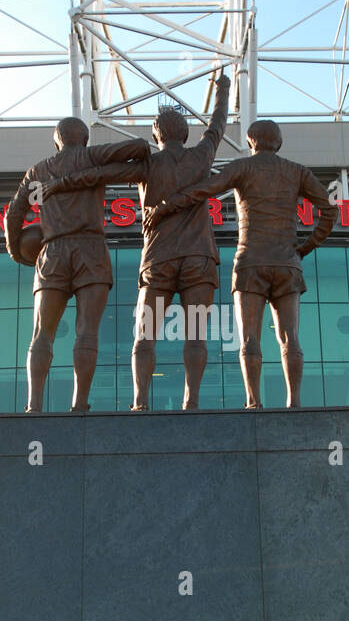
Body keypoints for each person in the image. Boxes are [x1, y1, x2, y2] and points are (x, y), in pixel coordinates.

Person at [36, 72, 232, 410]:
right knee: (196, 332)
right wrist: (224, 90)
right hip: (199, 261)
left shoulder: (147, 165)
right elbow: (217, 126)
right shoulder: (202, 155)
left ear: (156, 134)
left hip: (158, 261)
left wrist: (62, 183)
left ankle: (140, 402)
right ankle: (192, 401)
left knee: (144, 336)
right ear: (185, 134)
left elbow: (101, 174)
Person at [144, 118, 338, 408]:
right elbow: (329, 211)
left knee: (249, 338)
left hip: (250, 262)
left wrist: (163, 207)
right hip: (287, 262)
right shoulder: (297, 172)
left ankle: (253, 401)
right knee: (290, 338)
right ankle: (294, 402)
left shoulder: (242, 167)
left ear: (250, 143)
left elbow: (202, 190)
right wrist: (305, 247)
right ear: (279, 142)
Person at [5, 119, 149, 412]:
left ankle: (34, 406)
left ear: (57, 141)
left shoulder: (38, 171)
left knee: (42, 334)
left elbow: (13, 213)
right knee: (87, 332)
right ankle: (80, 403)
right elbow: (140, 148)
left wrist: (17, 251)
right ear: (83, 139)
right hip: (90, 249)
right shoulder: (90, 155)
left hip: (52, 250)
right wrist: (98, 171)